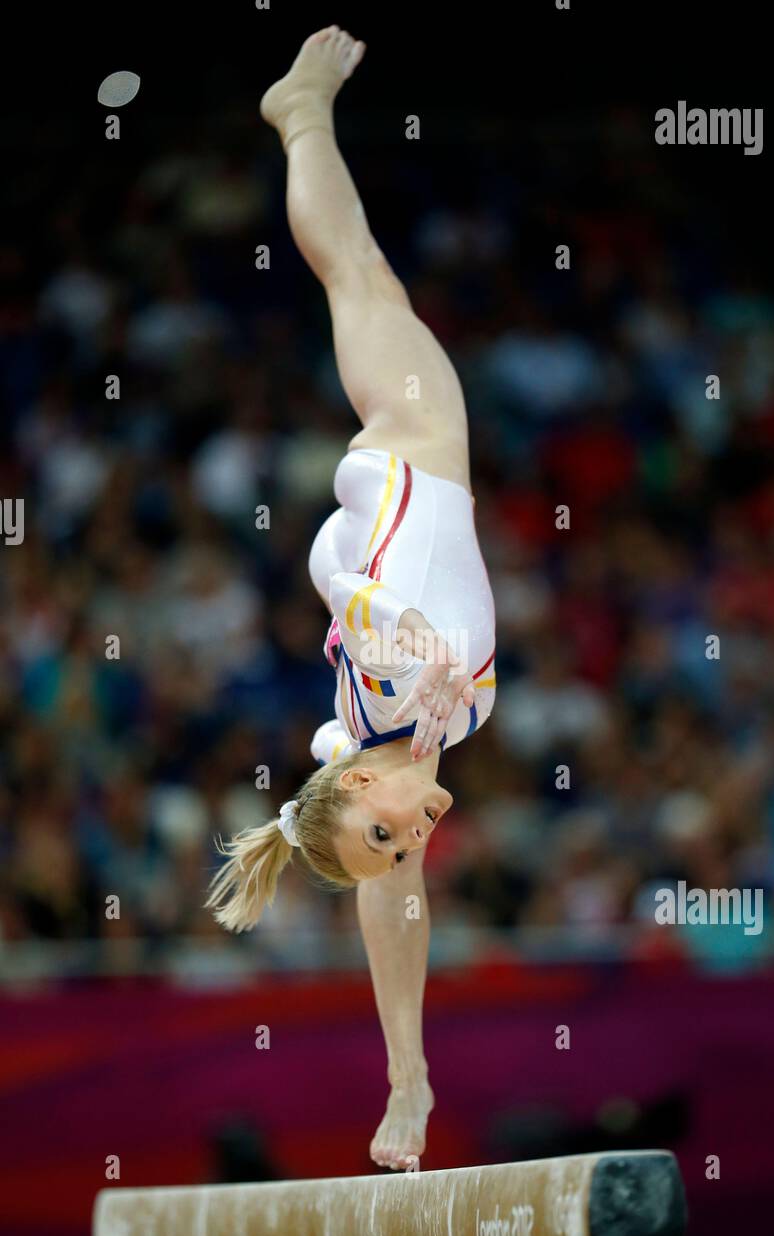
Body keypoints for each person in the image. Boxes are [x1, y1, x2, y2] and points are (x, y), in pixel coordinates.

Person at [207, 26, 497, 1170]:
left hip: (412, 446)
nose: (411, 836)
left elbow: (379, 620)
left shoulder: (389, 692)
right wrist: (409, 1078)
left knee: (358, 270)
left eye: (384, 829)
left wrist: (417, 644)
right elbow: (395, 921)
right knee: (360, 273)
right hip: (407, 470)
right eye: (401, 846)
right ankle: (301, 114)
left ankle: (301, 109)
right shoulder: (435, 739)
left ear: (358, 776)